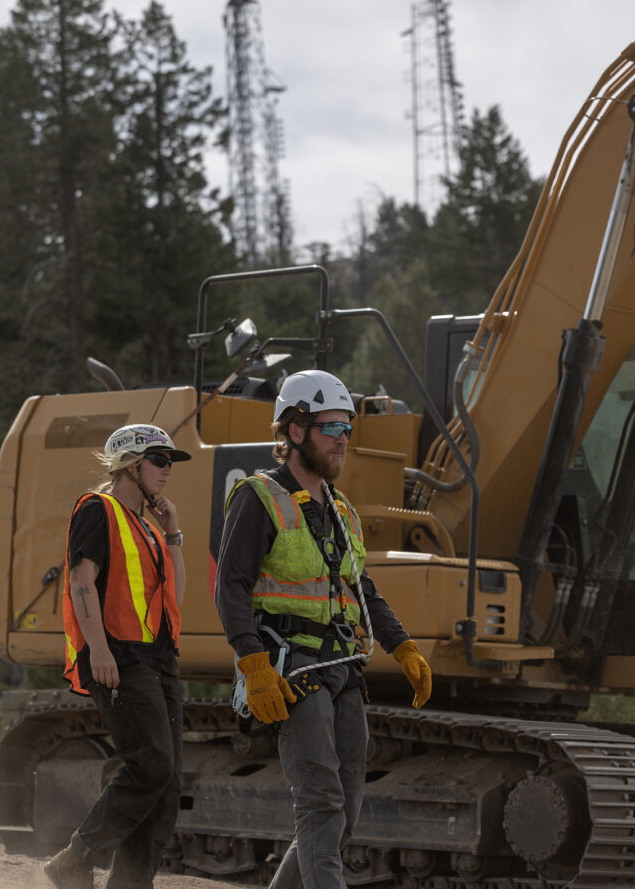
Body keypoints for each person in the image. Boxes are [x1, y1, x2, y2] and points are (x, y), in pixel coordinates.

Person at [215, 370, 432, 889]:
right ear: (294, 432)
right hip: (294, 672)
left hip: (344, 674)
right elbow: (230, 588)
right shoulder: (259, 496)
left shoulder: (340, 509)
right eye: (331, 427)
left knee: (343, 814)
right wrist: (253, 664)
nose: (342, 440)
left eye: (347, 429)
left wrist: (402, 647)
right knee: (321, 806)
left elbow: (363, 588)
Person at [44, 423, 190, 889]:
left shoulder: (147, 528)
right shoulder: (96, 508)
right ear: (130, 464)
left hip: (158, 659)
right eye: (160, 461)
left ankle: (130, 884)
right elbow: (81, 581)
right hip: (120, 657)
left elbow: (174, 596)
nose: (168, 471)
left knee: (166, 784)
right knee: (152, 764)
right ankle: (76, 858)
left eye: (170, 463)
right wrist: (100, 650)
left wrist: (173, 534)